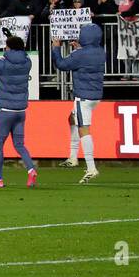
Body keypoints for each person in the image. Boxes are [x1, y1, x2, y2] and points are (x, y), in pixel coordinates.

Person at [0, 32, 37, 188]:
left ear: (9, 48)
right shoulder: (27, 62)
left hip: (5, 111)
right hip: (21, 111)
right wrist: (12, 37)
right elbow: (19, 51)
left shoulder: (3, 64)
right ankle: (31, 169)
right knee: (19, 144)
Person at [52, 23, 105, 183]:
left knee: (84, 129)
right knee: (72, 119)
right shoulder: (101, 51)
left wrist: (56, 48)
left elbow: (61, 64)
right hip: (95, 95)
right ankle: (73, 157)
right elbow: (83, 57)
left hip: (83, 96)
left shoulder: (81, 55)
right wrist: (79, 49)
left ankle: (91, 168)